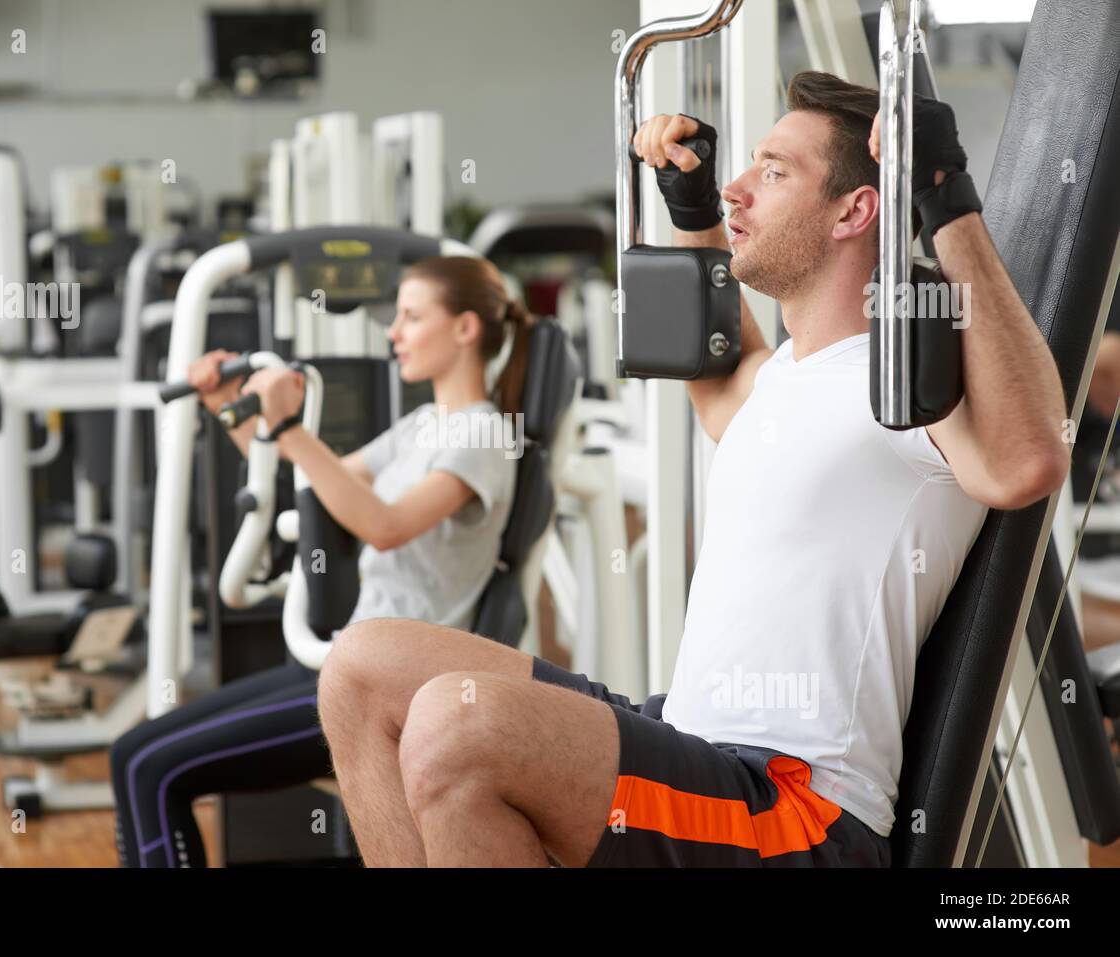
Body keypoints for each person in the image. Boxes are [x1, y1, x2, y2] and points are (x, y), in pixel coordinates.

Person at [316, 70, 1071, 868]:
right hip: (690, 740)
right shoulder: (777, 374)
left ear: (857, 210)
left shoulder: (911, 383)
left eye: (773, 172)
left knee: (453, 725)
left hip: (793, 805)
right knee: (363, 668)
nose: (741, 189)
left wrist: (945, 197)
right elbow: (716, 371)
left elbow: (1029, 459)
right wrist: (693, 207)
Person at [110, 256, 531, 866]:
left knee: (151, 768)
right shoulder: (421, 426)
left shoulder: (486, 435)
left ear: (465, 329)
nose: (394, 334)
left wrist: (286, 425)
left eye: (412, 318)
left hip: (389, 689)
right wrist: (233, 405)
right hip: (349, 666)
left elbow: (385, 527)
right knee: (133, 754)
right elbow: (315, 481)